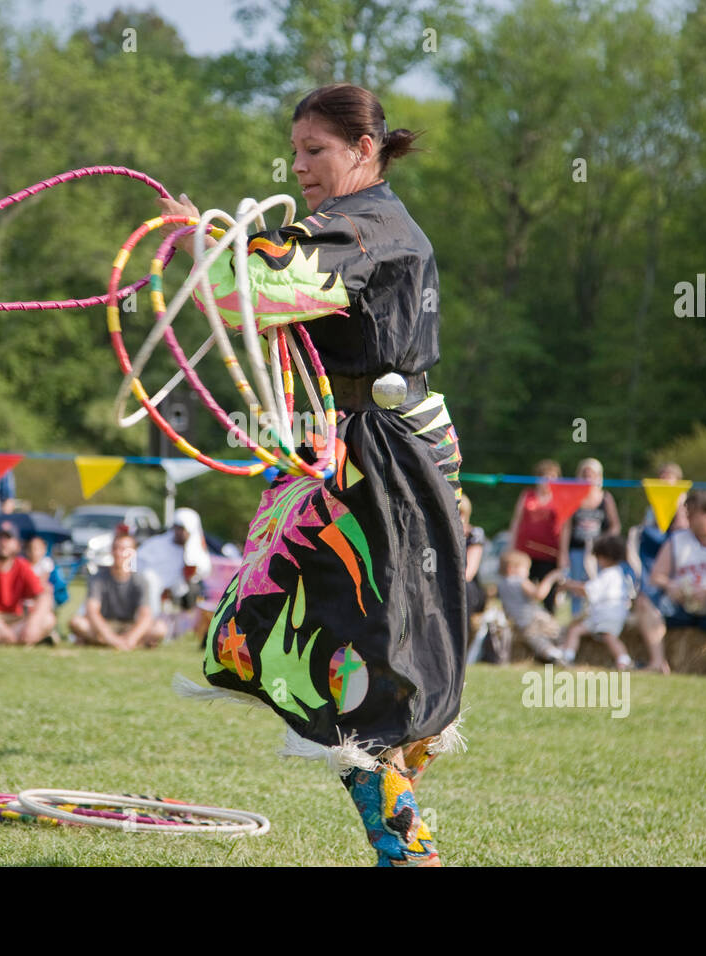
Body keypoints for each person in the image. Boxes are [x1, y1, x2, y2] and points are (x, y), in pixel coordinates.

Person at [158, 84, 465, 866]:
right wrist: (210, 250)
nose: (299, 167)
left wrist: (205, 248)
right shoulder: (355, 224)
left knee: (356, 656)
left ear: (365, 149)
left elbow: (245, 292)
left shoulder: (364, 230)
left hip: (382, 461)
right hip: (351, 452)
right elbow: (244, 291)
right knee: (328, 648)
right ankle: (401, 813)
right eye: (295, 152)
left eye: (316, 151)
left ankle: (405, 841)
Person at [633, 490, 706, 674]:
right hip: (680, 606)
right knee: (643, 602)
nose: (688, 521)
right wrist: (674, 587)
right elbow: (656, 576)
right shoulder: (677, 539)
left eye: (693, 515)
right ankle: (657, 662)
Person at [69, 533, 167, 649]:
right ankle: (132, 643)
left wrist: (131, 638)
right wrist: (112, 639)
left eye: (124, 549)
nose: (119, 553)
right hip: (104, 625)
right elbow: (92, 611)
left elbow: (145, 615)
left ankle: (101, 641)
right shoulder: (98, 578)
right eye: (116, 548)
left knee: (160, 628)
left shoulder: (140, 580)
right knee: (77, 622)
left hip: (129, 626)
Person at [560, 535, 635, 670]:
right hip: (598, 615)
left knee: (609, 636)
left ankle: (624, 660)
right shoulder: (615, 573)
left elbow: (588, 590)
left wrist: (568, 585)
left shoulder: (609, 574)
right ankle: (567, 656)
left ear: (605, 556)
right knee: (575, 630)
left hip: (609, 614)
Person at [559, 458, 620, 616]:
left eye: (592, 474)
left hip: (599, 554)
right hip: (577, 550)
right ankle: (577, 619)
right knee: (577, 590)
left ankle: (598, 620)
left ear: (599, 476)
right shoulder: (573, 498)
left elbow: (615, 526)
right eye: (585, 474)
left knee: (598, 589)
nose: (588, 478)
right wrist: (563, 553)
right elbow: (566, 527)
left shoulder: (606, 498)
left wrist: (603, 542)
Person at [494, 550, 567, 663]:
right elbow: (539, 594)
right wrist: (551, 578)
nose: (528, 573)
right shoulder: (520, 581)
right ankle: (562, 651)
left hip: (519, 622)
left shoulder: (501, 584)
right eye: (526, 569)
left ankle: (550, 653)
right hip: (535, 618)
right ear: (512, 568)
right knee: (555, 633)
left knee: (535, 639)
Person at [509, 460, 562, 612]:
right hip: (524, 553)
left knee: (548, 595)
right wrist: (511, 547)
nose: (548, 480)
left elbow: (565, 528)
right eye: (545, 476)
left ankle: (548, 625)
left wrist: (563, 554)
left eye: (552, 476)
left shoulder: (559, 499)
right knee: (521, 590)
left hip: (549, 553)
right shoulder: (528, 495)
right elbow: (516, 521)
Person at [136, 507, 211, 611]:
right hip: (153, 596)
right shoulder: (156, 543)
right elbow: (138, 563)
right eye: (176, 527)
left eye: (182, 529)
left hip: (181, 601)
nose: (178, 532)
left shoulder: (196, 552)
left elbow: (202, 572)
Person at [459, 494, 487, 638]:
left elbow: (468, 573)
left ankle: (463, 635)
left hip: (469, 587)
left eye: (460, 512)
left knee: (463, 588)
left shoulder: (475, 534)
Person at [27, 535, 69, 608]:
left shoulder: (46, 562)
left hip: (40, 592)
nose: (33, 552)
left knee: (46, 588)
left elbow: (43, 579)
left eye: (36, 549)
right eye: (30, 548)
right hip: (29, 592)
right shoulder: (25, 563)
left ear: (44, 550)